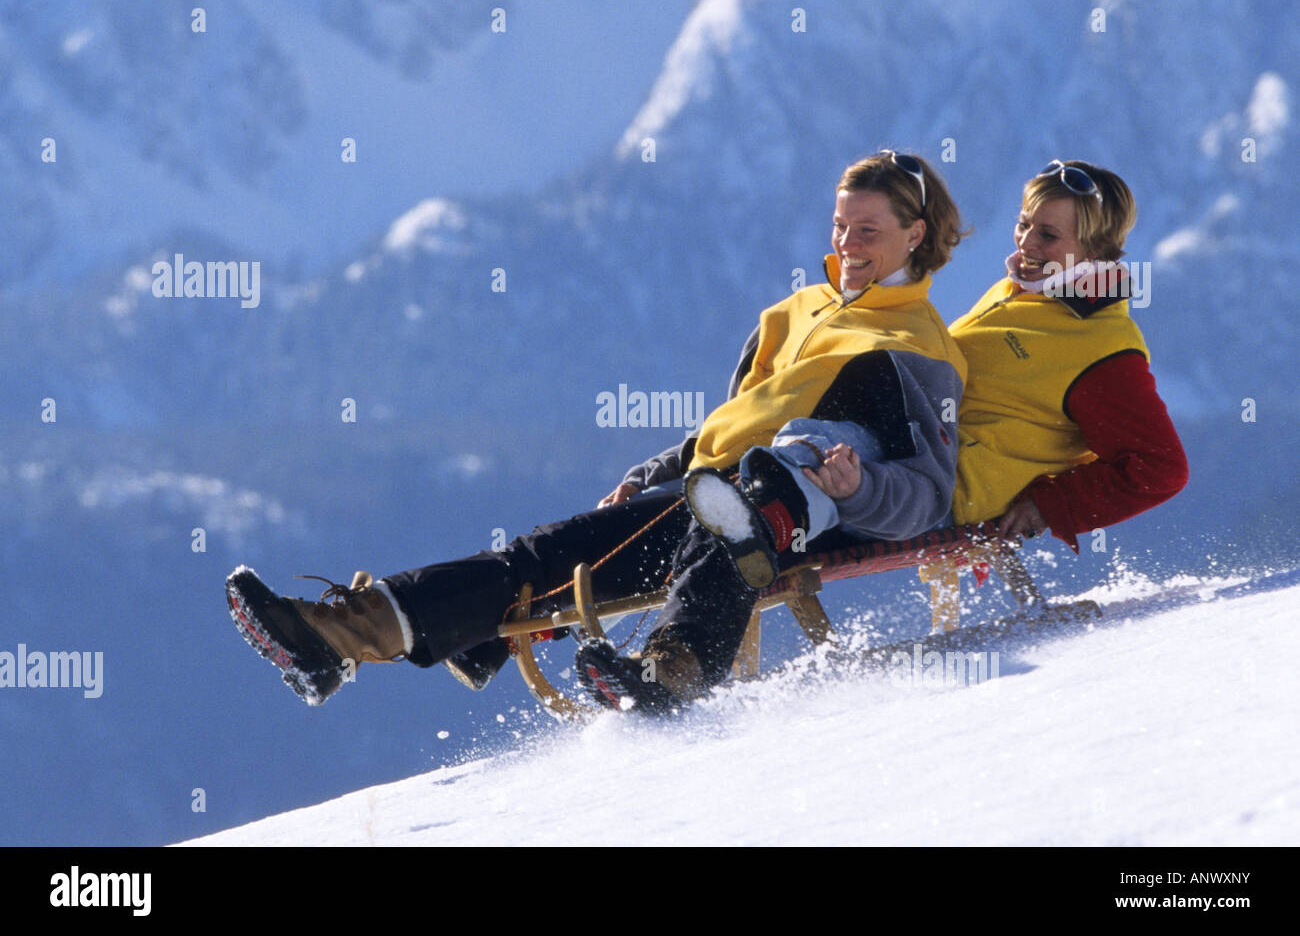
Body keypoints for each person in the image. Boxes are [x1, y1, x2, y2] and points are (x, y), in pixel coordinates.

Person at [225, 151, 969, 716]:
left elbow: (929, 497)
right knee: (543, 553)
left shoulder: (916, 348)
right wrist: (653, 472)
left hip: (799, 515)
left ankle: (671, 667)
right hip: (708, 488)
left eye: (868, 231)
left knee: (731, 526)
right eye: (841, 226)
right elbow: (733, 423)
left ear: (916, 234)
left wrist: (861, 485)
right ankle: (333, 639)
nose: (849, 243)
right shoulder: (797, 311)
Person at [949, 160, 1188, 549]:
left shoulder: (1102, 348)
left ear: (1093, 248)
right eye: (1024, 224)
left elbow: (1161, 468)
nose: (1026, 243)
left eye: (1048, 234)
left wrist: (1048, 506)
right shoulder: (1021, 291)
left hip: (943, 484)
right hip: (915, 451)